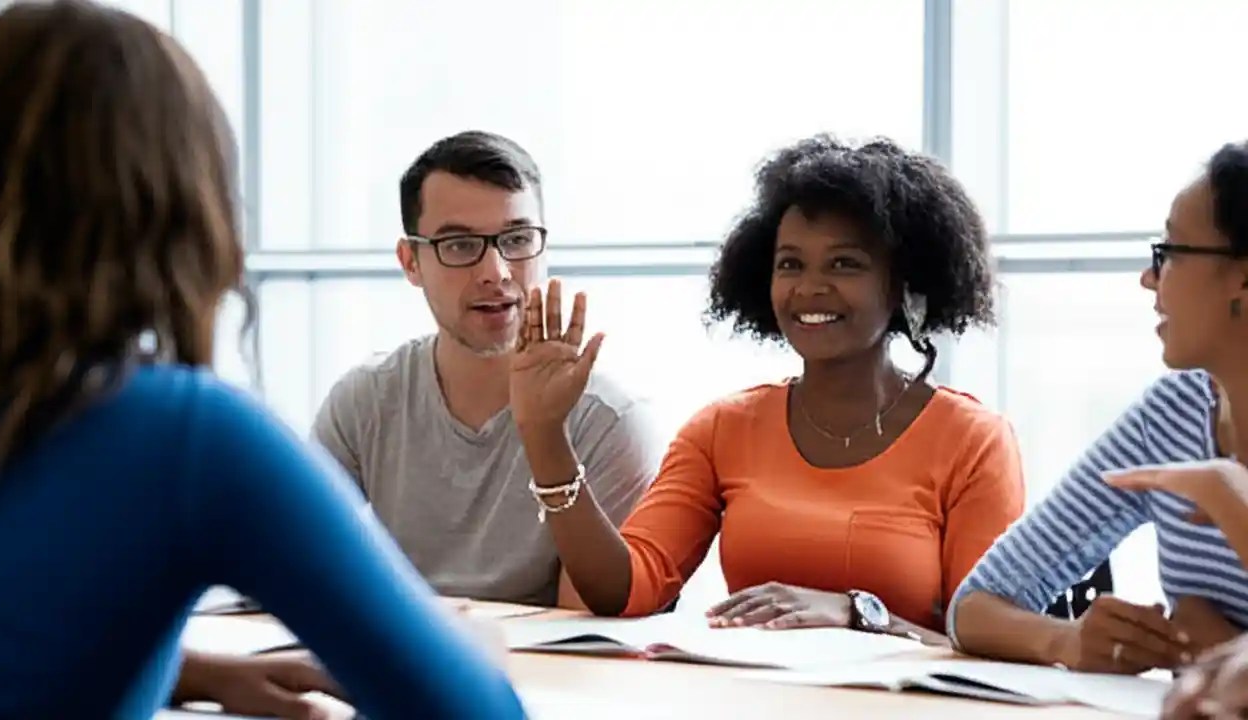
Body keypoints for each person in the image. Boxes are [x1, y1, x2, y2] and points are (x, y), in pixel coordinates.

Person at [0, 2, 526, 718]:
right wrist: (475, 654)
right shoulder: (182, 436)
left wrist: (189, 672)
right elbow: (469, 711)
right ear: (188, 203)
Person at [505, 134, 1025, 641]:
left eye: (845, 263)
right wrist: (545, 434)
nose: (810, 287)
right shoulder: (723, 428)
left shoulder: (973, 441)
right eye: (790, 264)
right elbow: (624, 590)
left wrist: (856, 612)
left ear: (905, 285)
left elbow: (986, 645)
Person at [311, 131, 662, 609]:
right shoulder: (365, 402)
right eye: (459, 244)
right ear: (410, 261)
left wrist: (544, 433)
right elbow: (298, 570)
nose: (496, 271)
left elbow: (586, 635)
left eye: (517, 240)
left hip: (543, 680)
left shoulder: (608, 421)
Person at [949, 140, 1248, 675]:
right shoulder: (1171, 415)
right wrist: (1066, 640)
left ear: (1243, 277)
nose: (1149, 278)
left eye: (1171, 253)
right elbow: (974, 606)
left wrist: (1214, 644)